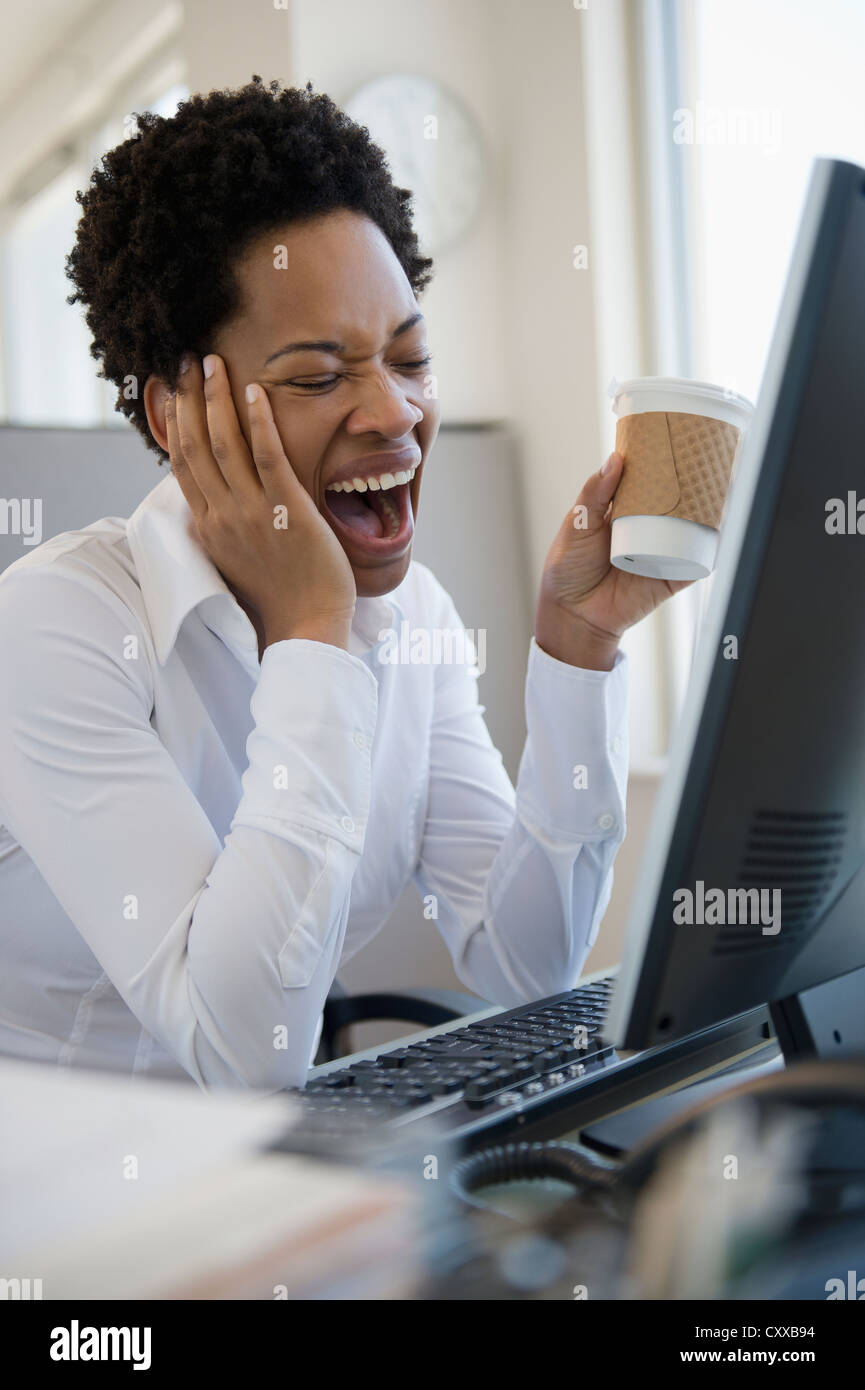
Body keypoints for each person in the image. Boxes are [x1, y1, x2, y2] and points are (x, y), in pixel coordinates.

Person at [0, 78, 689, 1092]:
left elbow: (521, 960)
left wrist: (577, 649)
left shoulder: (413, 623)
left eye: (410, 359)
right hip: (70, 1207)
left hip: (278, 1187)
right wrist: (311, 635)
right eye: (319, 378)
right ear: (175, 416)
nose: (395, 415)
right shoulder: (57, 625)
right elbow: (247, 1051)